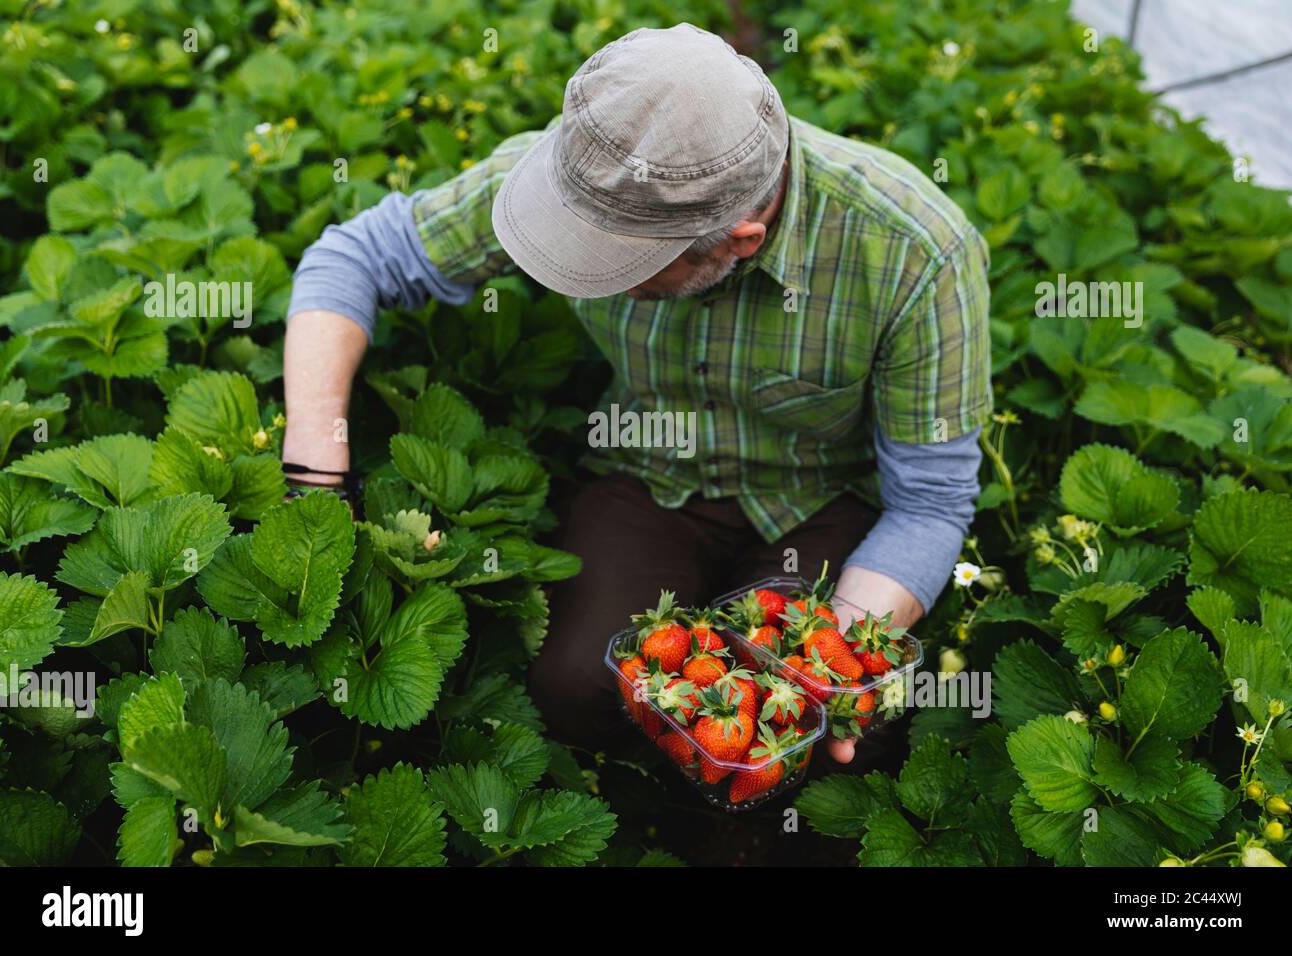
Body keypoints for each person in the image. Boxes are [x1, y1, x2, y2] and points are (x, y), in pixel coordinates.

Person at [282, 23, 991, 764]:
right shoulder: (586, 173)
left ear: (740, 239)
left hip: (819, 498)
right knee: (575, 684)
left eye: (616, 262)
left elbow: (929, 503)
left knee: (808, 741)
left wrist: (829, 658)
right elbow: (356, 256)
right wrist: (315, 465)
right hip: (648, 470)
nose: (579, 262)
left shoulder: (914, 251)